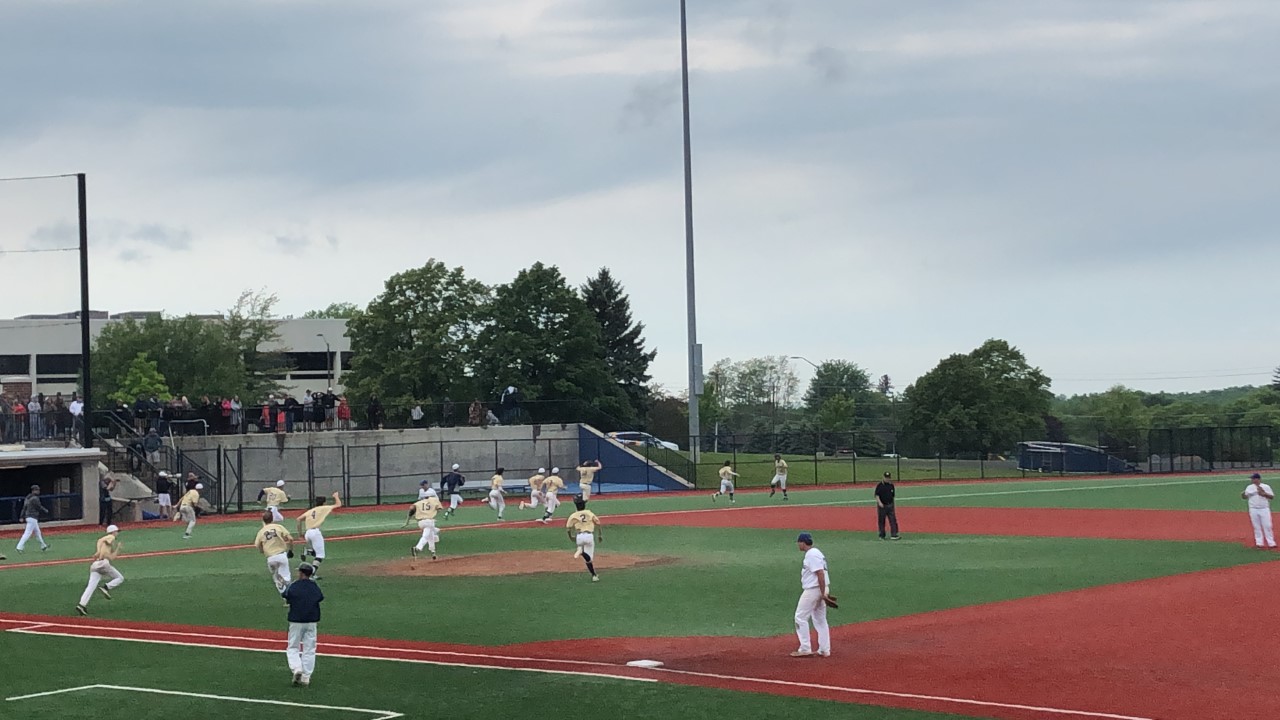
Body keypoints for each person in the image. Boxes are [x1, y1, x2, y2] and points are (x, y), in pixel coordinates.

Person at [283, 562, 324, 687]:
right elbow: (319, 597)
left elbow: (286, 596)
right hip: (312, 621)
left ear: (301, 573)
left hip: (296, 620)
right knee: (309, 649)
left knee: (293, 647)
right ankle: (306, 677)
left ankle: (296, 668)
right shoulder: (314, 586)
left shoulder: (294, 585)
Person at [792, 532, 832, 658]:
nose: (798, 545)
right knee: (820, 620)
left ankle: (805, 648)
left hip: (814, 590)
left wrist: (821, 593)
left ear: (802, 542)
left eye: (799, 542)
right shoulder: (816, 553)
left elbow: (820, 573)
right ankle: (824, 649)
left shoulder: (812, 555)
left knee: (800, 617)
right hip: (820, 589)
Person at [76, 524, 124, 616]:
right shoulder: (111, 537)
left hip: (95, 565)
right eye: (117, 531)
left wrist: (117, 548)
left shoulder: (105, 543)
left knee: (91, 586)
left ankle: (82, 605)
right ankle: (106, 587)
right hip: (103, 563)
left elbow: (111, 556)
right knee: (120, 578)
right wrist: (101, 550)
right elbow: (103, 540)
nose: (117, 533)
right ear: (113, 532)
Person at [297, 493, 342, 576]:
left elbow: (298, 519)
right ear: (324, 503)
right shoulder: (324, 508)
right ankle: (312, 573)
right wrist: (336, 496)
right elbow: (338, 504)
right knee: (320, 555)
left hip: (308, 533)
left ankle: (307, 552)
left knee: (316, 552)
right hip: (315, 533)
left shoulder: (311, 510)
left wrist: (300, 534)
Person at [255, 510, 296, 596]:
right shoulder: (278, 527)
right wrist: (291, 550)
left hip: (271, 558)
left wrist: (262, 550)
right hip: (281, 555)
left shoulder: (261, 531)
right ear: (272, 518)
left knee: (276, 578)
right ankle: (289, 596)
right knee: (286, 577)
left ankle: (284, 595)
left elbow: (257, 545)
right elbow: (291, 539)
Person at [565, 495, 603, 582]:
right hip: (589, 536)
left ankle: (594, 574)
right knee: (589, 559)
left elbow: (568, 528)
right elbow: (598, 523)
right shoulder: (589, 513)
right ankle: (594, 576)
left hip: (579, 537)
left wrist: (571, 537)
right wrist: (600, 535)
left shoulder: (573, 515)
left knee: (587, 557)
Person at [1242, 472, 1276, 549]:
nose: (1252, 480)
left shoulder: (1266, 486)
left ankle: (1271, 543)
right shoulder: (1249, 487)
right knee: (1256, 526)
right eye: (1252, 479)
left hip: (1264, 509)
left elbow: (1271, 497)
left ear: (1258, 479)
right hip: (1253, 509)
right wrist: (1243, 494)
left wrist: (1263, 494)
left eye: (1254, 478)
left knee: (1267, 525)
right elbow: (1245, 496)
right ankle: (1259, 543)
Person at [408, 489, 443, 559]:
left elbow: (411, 508)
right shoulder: (434, 501)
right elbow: (439, 509)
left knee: (431, 535)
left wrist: (409, 517)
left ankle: (433, 552)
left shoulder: (419, 502)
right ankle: (417, 548)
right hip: (429, 521)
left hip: (421, 522)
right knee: (426, 536)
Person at [16, 485, 51, 553]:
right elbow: (39, 507)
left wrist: (21, 516)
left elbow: (24, 508)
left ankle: (43, 545)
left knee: (38, 533)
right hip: (32, 517)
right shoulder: (35, 498)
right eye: (37, 490)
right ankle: (19, 546)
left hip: (28, 517)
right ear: (34, 490)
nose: (38, 491)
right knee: (28, 533)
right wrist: (46, 510)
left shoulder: (28, 498)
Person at [875, 472, 900, 540]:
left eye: (888, 478)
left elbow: (892, 496)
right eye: (886, 477)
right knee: (882, 521)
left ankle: (894, 534)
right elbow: (877, 495)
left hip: (890, 505)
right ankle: (882, 535)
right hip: (882, 506)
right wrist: (880, 503)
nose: (887, 479)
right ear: (883, 477)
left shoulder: (891, 485)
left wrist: (892, 504)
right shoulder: (880, 485)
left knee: (893, 520)